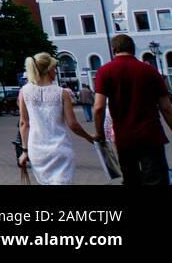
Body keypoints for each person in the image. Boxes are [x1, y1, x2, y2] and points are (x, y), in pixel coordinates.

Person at [93, 34, 172, 185]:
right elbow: (166, 107)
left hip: (125, 138)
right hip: (151, 135)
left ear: (114, 49)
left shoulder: (104, 71)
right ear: (133, 49)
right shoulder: (150, 71)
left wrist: (100, 133)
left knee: (131, 180)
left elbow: (98, 107)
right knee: (157, 179)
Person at [17, 52, 96, 185]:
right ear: (48, 70)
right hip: (60, 149)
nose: (55, 71)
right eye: (54, 68)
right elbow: (73, 124)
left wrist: (24, 151)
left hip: (37, 151)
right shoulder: (61, 93)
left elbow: (24, 123)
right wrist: (89, 137)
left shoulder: (24, 92)